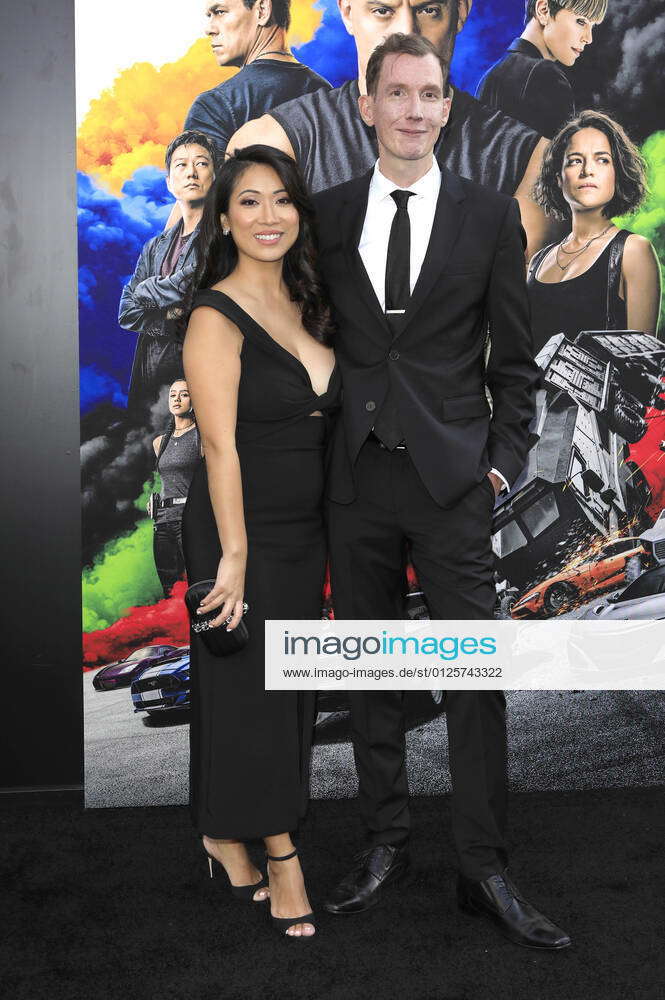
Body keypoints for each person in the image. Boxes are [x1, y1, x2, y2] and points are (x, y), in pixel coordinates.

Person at [313, 33, 570, 950]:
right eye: (397, 93)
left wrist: (499, 460)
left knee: (472, 683)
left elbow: (514, 356)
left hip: (451, 482)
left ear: (446, 108)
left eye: (429, 94)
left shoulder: (488, 215)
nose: (413, 110)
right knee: (372, 679)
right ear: (366, 104)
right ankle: (384, 844)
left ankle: (484, 866)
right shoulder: (326, 213)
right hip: (353, 483)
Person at [180, 145, 339, 938]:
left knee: (278, 695)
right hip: (234, 529)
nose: (267, 216)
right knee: (255, 696)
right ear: (224, 217)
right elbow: (219, 448)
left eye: (281, 200)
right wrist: (232, 560)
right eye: (248, 201)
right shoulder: (214, 312)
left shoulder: (311, 304)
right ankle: (281, 856)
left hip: (305, 532)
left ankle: (219, 828)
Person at [227, 0, 557, 258]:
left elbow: (500, 305)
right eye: (383, 10)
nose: (405, 33)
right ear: (347, 11)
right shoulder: (275, 144)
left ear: (460, 11)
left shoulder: (533, 161)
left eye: (428, 10)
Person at [528, 109, 661, 356]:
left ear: (617, 174)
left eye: (602, 159)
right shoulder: (538, 262)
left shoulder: (633, 251)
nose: (587, 170)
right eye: (575, 160)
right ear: (559, 177)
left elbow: (643, 371)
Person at [119, 131, 216, 413]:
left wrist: (147, 293)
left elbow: (187, 289)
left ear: (215, 175)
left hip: (197, 371)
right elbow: (126, 311)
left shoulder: (221, 238)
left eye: (201, 163)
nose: (191, 173)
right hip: (150, 373)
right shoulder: (154, 246)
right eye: (181, 165)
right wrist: (169, 314)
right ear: (169, 182)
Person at [184, 0, 331, 159]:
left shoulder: (214, 107)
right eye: (209, 16)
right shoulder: (327, 94)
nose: (209, 29)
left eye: (220, 12)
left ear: (262, 10)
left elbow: (205, 183)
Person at [476, 0, 607, 139]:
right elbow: (558, 158)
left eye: (592, 27)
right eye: (581, 22)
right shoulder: (545, 76)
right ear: (543, 10)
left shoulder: (489, 77)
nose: (589, 38)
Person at [150, 380, 200, 597]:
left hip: (190, 520)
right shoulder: (160, 442)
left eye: (184, 394)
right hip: (162, 522)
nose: (177, 399)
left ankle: (200, 630)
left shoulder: (202, 435)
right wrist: (155, 500)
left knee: (198, 582)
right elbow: (167, 480)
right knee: (169, 588)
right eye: (173, 395)